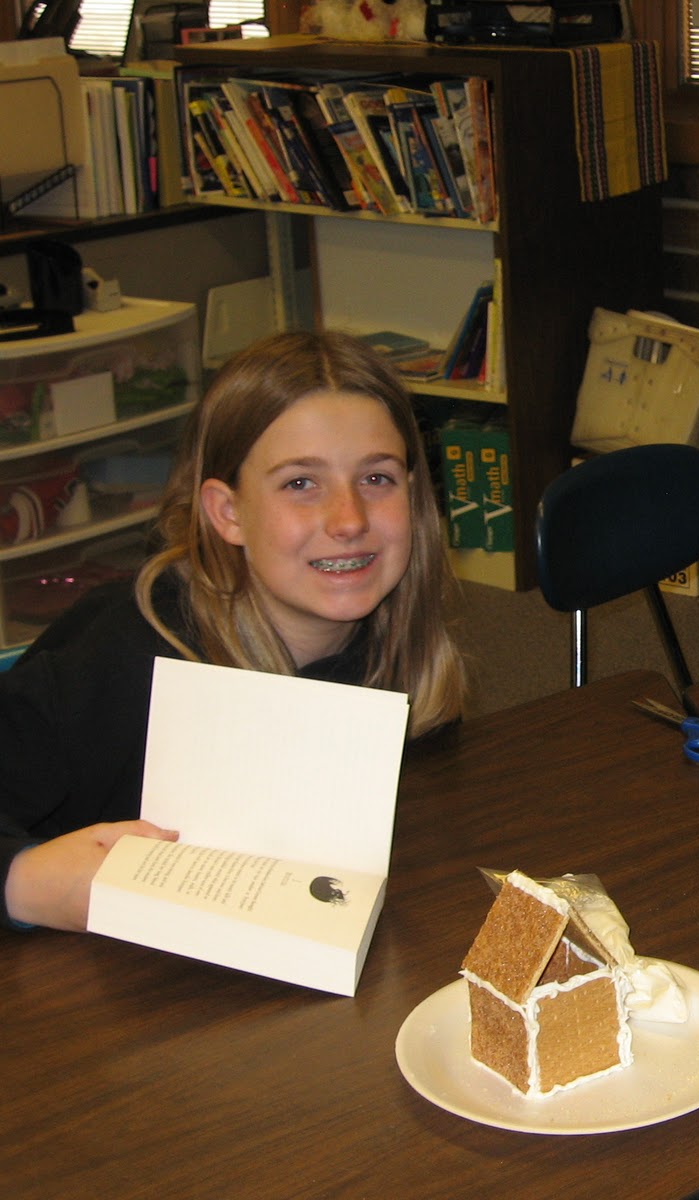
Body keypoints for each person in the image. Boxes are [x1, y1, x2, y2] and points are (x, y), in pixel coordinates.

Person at [2, 330, 468, 932]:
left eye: (376, 479)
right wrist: (23, 884)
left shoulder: (396, 648)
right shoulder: (118, 657)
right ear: (228, 512)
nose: (349, 519)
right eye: (300, 483)